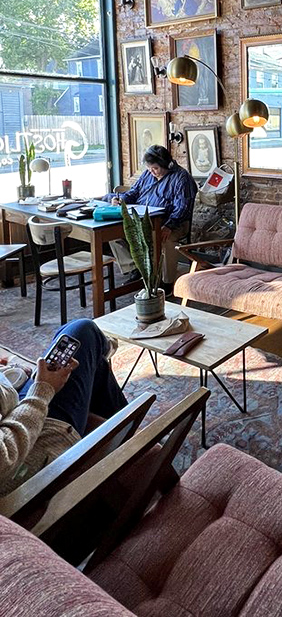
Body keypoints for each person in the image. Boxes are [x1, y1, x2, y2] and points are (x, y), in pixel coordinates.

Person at [0, 319, 126, 496]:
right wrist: (42, 389)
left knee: (77, 345)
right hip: (30, 456)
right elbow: (5, 459)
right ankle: (134, 441)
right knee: (83, 332)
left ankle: (99, 354)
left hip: (12, 413)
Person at [107, 145, 197, 288]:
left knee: (164, 238)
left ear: (166, 164)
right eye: (149, 168)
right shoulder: (148, 174)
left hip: (172, 222)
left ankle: (167, 282)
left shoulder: (181, 178)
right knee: (111, 234)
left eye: (155, 168)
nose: (152, 171)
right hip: (142, 220)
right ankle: (136, 268)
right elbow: (133, 193)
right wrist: (121, 200)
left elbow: (182, 207)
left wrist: (169, 225)